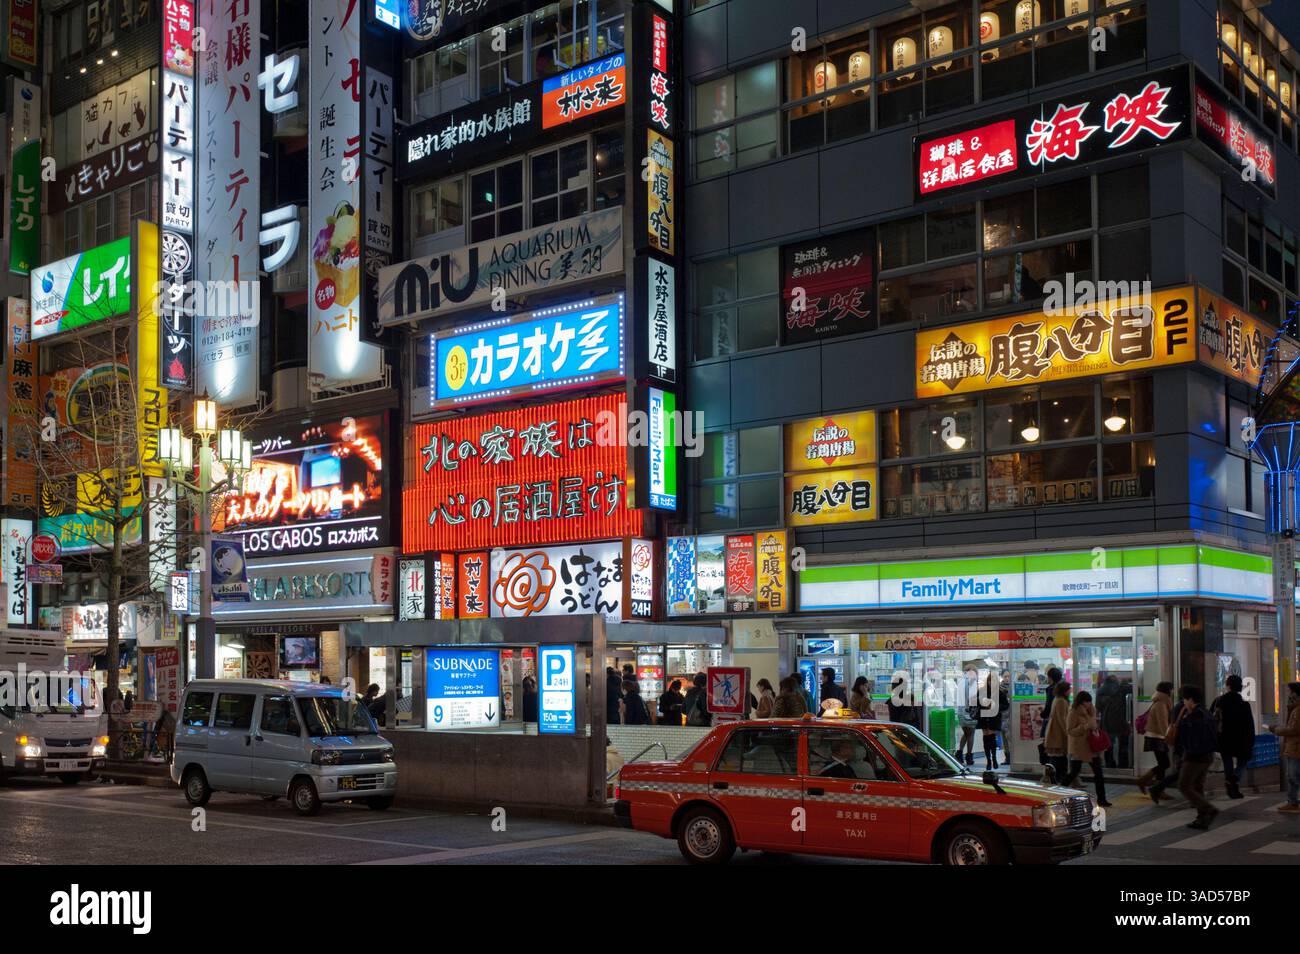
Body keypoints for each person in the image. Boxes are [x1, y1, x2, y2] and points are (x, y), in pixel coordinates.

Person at [1174, 685, 1220, 830]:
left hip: (1195, 756)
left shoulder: (1194, 715)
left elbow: (1190, 738)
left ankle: (1208, 809)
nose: (1183, 702)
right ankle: (1202, 818)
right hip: (1206, 755)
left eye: (1184, 699)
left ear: (1190, 699)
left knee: (1184, 785)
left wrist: (1184, 754)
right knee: (1197, 786)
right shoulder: (1205, 712)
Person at [1211, 674, 1255, 799]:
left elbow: (1211, 718)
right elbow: (1249, 724)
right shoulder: (1244, 704)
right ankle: (1234, 780)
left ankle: (1231, 784)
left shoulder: (1219, 701)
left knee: (1227, 761)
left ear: (1228, 686)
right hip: (1241, 739)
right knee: (1243, 760)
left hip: (1223, 738)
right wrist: (1251, 739)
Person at [1064, 690, 1111, 807]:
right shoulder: (1073, 713)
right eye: (1086, 702)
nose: (1089, 704)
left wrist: (1094, 727)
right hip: (1079, 747)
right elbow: (1070, 731)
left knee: (1098, 773)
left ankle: (1102, 799)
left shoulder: (1092, 711)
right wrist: (1085, 727)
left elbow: (1093, 724)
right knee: (1074, 772)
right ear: (1081, 702)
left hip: (1092, 746)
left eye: (1090, 702)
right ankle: (1058, 791)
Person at [1136, 681, 1175, 799]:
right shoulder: (1161, 704)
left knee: (1163, 764)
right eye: (1171, 689)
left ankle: (1154, 786)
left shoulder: (1160, 701)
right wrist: (1169, 738)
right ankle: (1146, 782)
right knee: (1164, 763)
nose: (1173, 692)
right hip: (1157, 737)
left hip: (1156, 736)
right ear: (1168, 691)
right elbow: (1163, 724)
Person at [1269, 681, 1300, 813]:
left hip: (1296, 748)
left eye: (1290, 691)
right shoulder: (1294, 709)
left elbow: (1294, 729)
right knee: (1292, 776)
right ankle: (1292, 802)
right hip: (1293, 747)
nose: (1288, 694)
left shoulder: (1298, 710)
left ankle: (1293, 802)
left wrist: (1276, 729)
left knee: (1293, 776)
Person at [1096, 675, 1131, 769]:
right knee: (1123, 745)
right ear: (1115, 681)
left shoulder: (1100, 691)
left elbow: (1098, 707)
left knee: (1108, 745)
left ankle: (1110, 764)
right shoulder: (1121, 690)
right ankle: (1123, 765)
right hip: (1121, 721)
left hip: (1106, 722)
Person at [977, 670, 1009, 771]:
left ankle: (994, 758)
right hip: (984, 716)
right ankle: (989, 760)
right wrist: (983, 704)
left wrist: (995, 706)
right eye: (991, 681)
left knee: (991, 737)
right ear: (988, 681)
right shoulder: (982, 690)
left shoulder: (1000, 692)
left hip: (994, 717)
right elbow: (976, 703)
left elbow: (1006, 705)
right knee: (986, 738)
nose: (992, 683)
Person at [1043, 681, 1072, 786]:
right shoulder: (1061, 701)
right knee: (1058, 758)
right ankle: (1056, 779)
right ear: (1064, 690)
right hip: (1057, 733)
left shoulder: (1058, 699)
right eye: (1069, 689)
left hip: (1055, 732)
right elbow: (1061, 718)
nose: (1070, 690)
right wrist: (1067, 732)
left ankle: (1054, 779)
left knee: (1057, 758)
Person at [1041, 666, 1063, 739]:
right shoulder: (1063, 688)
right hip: (1060, 720)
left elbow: (1049, 705)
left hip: (1051, 720)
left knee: (1048, 742)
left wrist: (1043, 714)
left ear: (1050, 678)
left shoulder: (1052, 689)